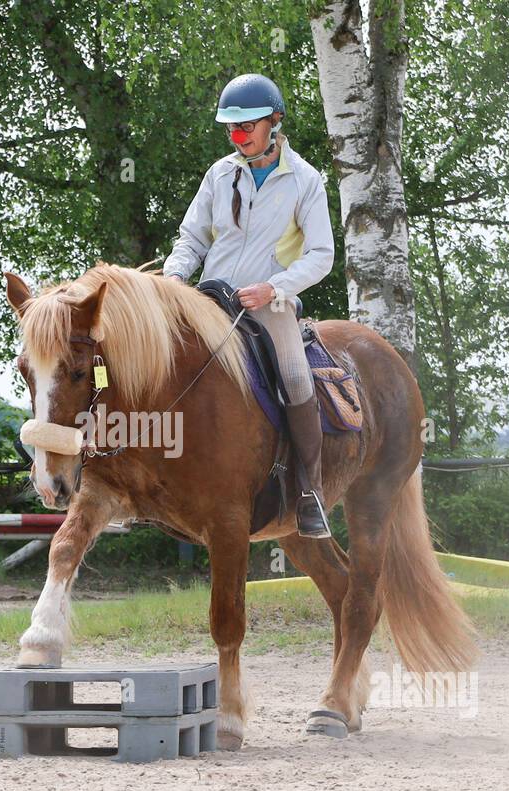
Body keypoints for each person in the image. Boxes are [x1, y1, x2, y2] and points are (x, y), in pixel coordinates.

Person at [163, 72, 335, 538]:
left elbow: (322, 254)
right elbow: (192, 237)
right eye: (231, 129)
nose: (238, 137)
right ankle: (137, 477)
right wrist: (175, 273)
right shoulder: (219, 174)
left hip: (267, 304)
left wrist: (276, 288)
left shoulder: (305, 181)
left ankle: (309, 492)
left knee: (297, 378)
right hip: (209, 299)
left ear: (274, 123)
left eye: (247, 127)